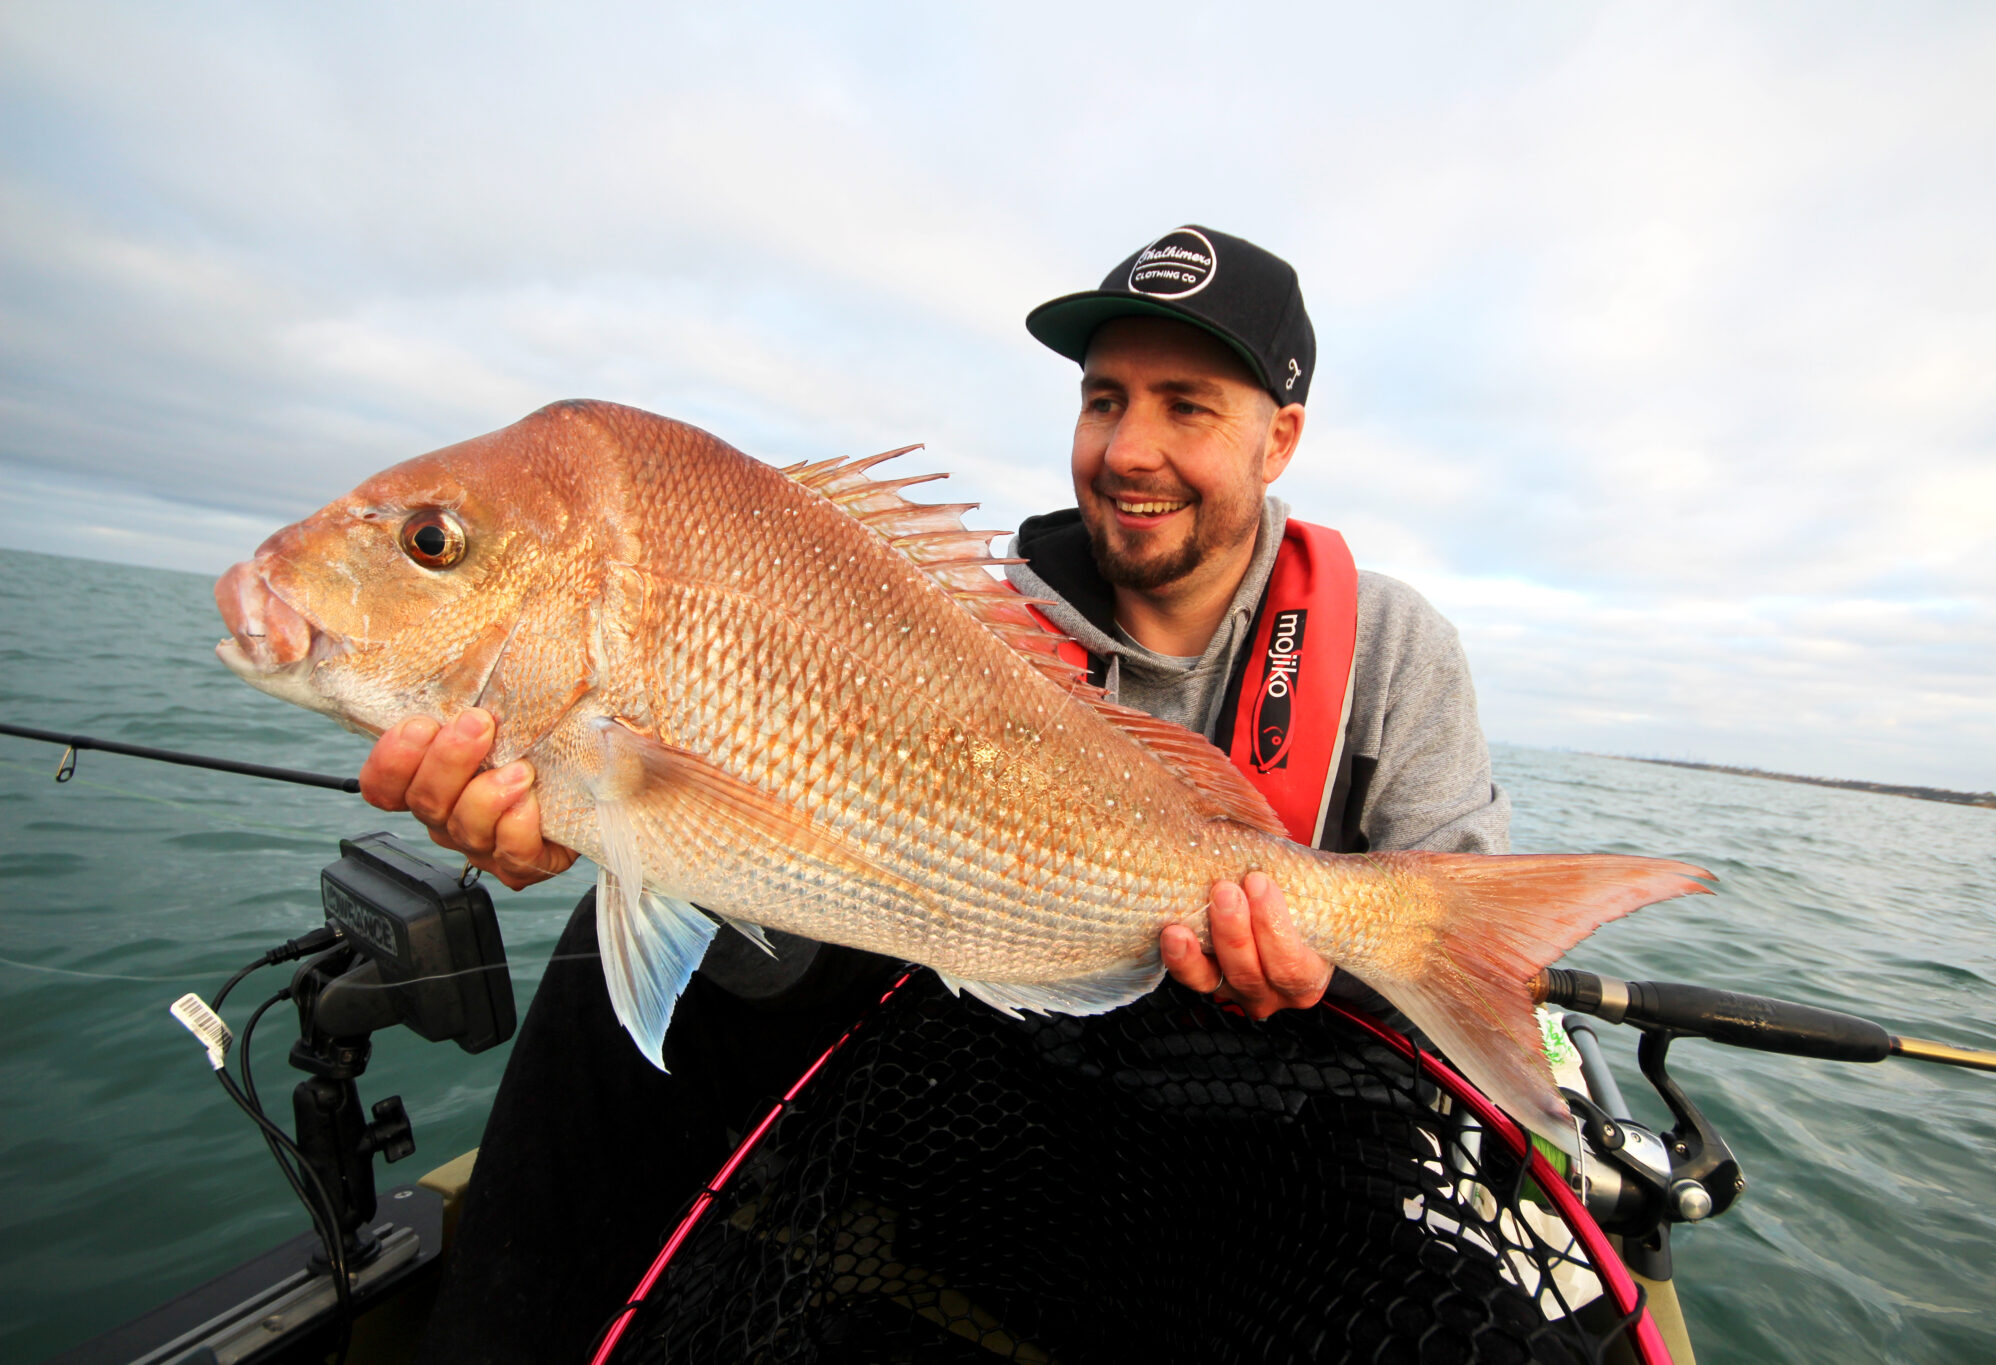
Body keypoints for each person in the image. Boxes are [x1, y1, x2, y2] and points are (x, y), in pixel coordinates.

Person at [365, 225, 1508, 1360]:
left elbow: (1471, 963)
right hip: (1005, 1125)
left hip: (1271, 1153)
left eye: (1187, 406)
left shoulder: (1393, 649)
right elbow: (827, 872)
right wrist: (589, 831)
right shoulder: (973, 620)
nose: (1127, 448)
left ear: (1280, 440)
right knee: (603, 1003)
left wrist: (1324, 980)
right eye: (1102, 399)